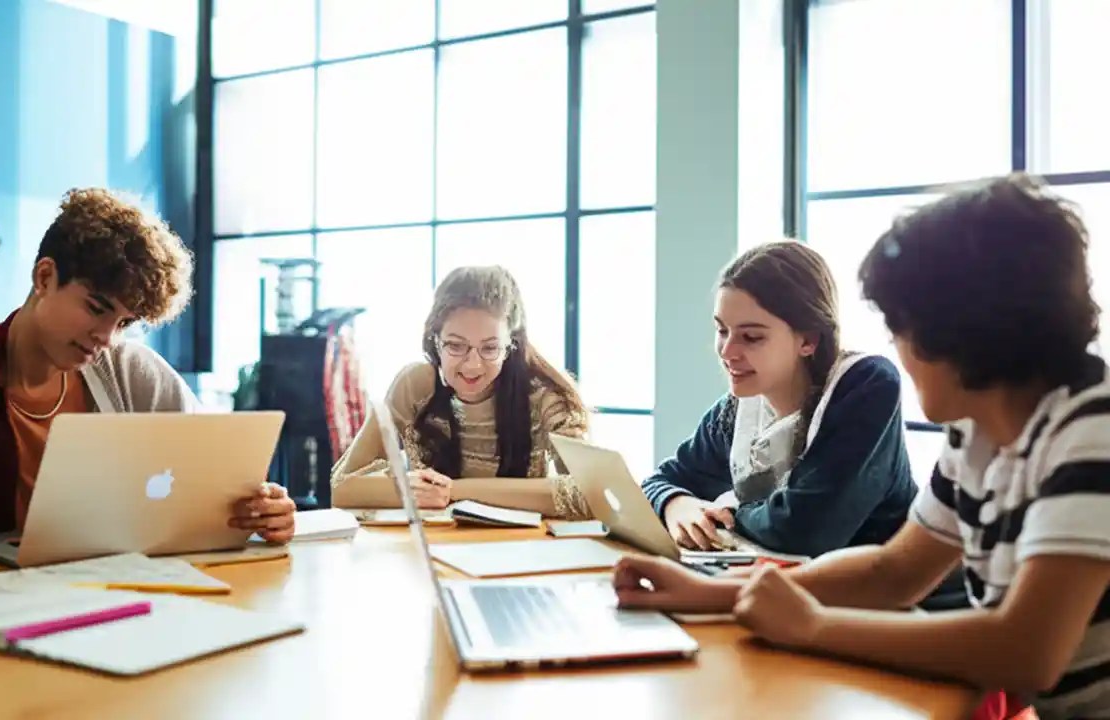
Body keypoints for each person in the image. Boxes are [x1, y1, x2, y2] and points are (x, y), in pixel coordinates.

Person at [614, 175, 1110, 720]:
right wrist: (714, 594)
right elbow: (893, 573)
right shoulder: (980, 433)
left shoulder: (1092, 433)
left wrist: (814, 626)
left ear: (961, 333)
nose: (897, 347)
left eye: (900, 327)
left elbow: (1027, 653)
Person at [0, 188, 295, 547]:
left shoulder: (128, 370)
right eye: (96, 309)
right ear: (44, 277)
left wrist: (266, 508)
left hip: (106, 583)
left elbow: (223, 474)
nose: (107, 338)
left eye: (124, 324)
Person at [640, 241, 916, 558]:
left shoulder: (866, 385)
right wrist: (675, 502)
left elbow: (806, 529)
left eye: (751, 336)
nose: (727, 352)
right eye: (722, 330)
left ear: (809, 340)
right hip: (791, 591)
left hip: (893, 602)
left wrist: (727, 511)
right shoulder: (738, 410)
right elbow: (659, 481)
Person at [330, 265, 593, 518]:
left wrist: (453, 490)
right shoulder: (415, 385)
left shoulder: (544, 394)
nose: (473, 365)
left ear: (510, 345)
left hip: (522, 549)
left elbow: (588, 494)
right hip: (435, 549)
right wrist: (407, 489)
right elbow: (341, 488)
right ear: (435, 340)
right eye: (456, 346)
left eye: (490, 348)